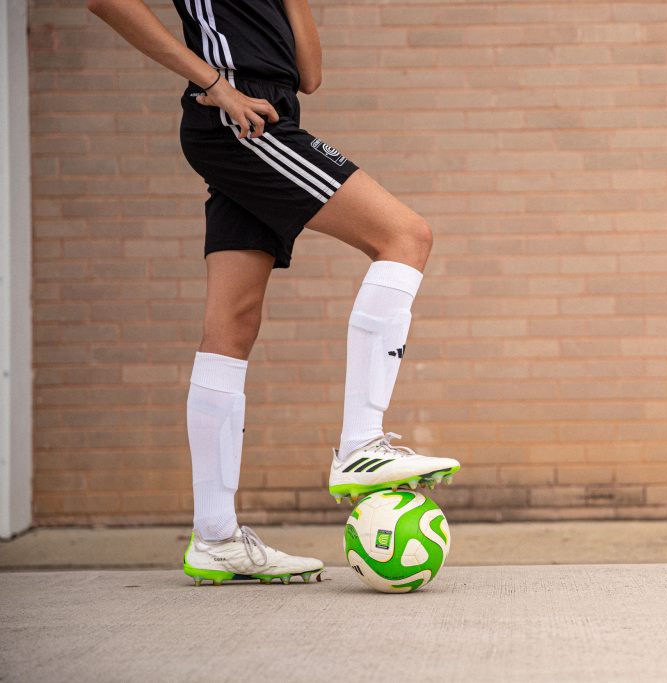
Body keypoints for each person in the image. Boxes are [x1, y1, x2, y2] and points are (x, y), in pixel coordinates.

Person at [88, 0, 461, 586]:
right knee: (405, 235)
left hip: (266, 113)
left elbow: (310, 76)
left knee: (232, 325)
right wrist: (215, 83)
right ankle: (360, 444)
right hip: (239, 118)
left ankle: (214, 538)